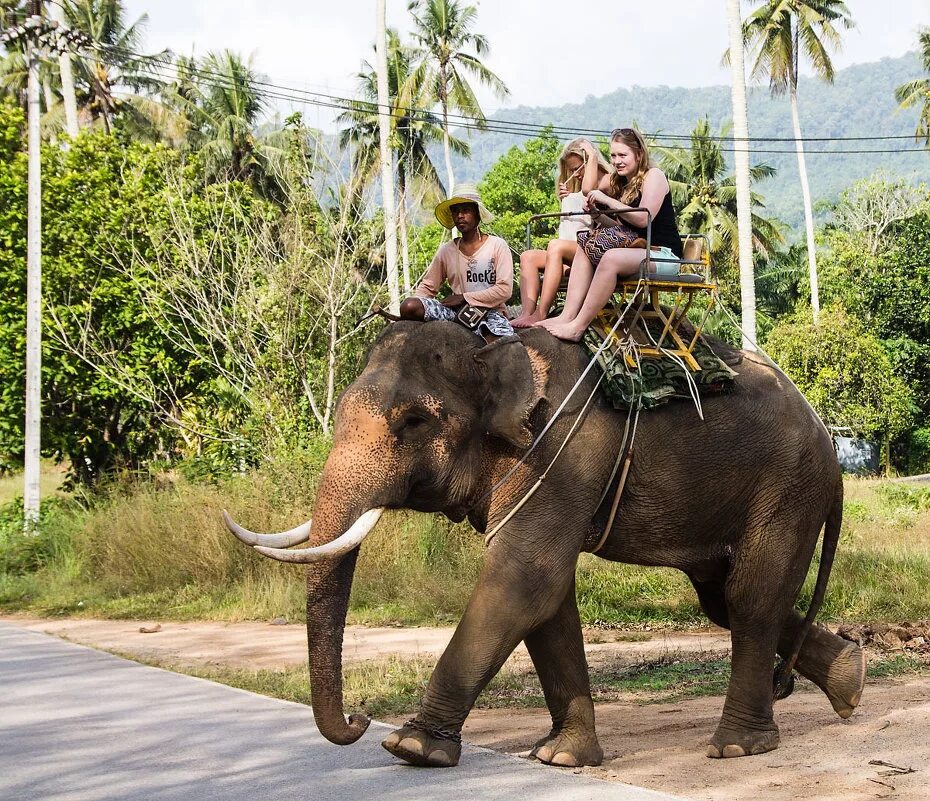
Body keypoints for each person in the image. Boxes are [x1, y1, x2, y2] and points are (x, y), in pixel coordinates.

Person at [537, 127, 682, 342]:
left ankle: (578, 326)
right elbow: (620, 226)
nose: (617, 161)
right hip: (636, 248)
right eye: (613, 156)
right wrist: (597, 215)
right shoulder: (621, 182)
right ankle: (566, 316)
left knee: (611, 258)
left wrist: (606, 200)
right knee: (585, 246)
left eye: (623, 155)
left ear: (638, 154)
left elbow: (643, 218)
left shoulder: (654, 176)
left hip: (662, 254)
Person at [510, 139, 612, 329]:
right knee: (528, 257)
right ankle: (526, 313)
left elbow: (589, 190)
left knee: (555, 246)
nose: (576, 174)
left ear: (589, 160)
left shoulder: (607, 180)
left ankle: (541, 312)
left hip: (594, 247)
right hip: (573, 248)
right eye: (571, 170)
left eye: (578, 168)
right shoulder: (577, 185)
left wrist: (591, 156)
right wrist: (566, 196)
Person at [399, 184, 515, 338]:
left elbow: (504, 290)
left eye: (466, 210)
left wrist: (464, 297)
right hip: (456, 312)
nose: (460, 215)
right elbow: (428, 287)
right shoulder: (447, 250)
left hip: (489, 312)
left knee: (502, 346)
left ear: (477, 214)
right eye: (455, 211)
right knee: (409, 305)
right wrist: (410, 313)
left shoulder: (497, 245)